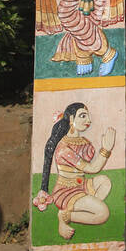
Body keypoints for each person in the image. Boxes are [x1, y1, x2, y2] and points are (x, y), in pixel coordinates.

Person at [32, 102, 115, 241]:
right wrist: (106, 149)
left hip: (81, 185)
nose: (88, 120)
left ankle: (81, 209)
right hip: (67, 190)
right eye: (83, 116)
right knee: (103, 213)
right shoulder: (64, 148)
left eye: (88, 116)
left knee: (105, 182)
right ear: (71, 119)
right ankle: (65, 216)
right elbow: (93, 168)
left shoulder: (81, 141)